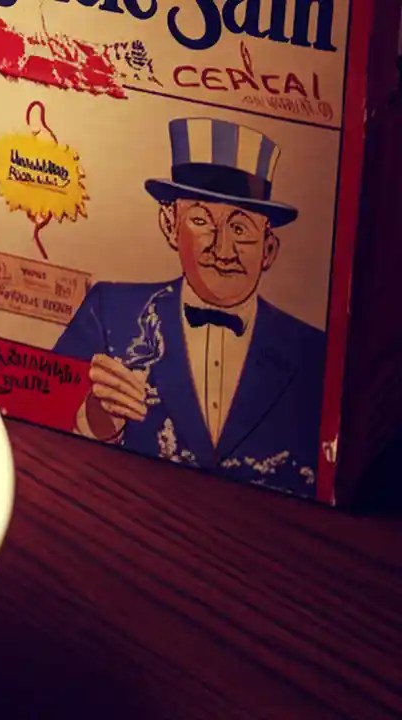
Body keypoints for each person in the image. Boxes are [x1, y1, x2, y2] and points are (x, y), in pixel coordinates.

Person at [52, 117, 326, 495]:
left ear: (269, 249)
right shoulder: (109, 313)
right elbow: (40, 415)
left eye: (241, 228)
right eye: (201, 221)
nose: (222, 250)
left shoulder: (314, 353)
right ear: (170, 225)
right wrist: (100, 421)